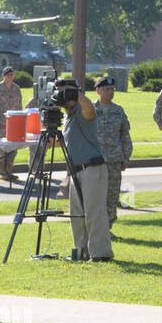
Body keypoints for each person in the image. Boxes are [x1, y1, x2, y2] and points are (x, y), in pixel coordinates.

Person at [54, 81, 112, 262]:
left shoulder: (83, 110)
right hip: (75, 171)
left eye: (64, 93)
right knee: (77, 215)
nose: (61, 97)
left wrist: (76, 94)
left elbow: (90, 111)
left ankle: (100, 253)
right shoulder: (69, 117)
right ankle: (81, 252)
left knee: (94, 213)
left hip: (92, 169)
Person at [93, 76, 133, 238]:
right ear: (98, 91)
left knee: (112, 197)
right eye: (106, 90)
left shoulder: (118, 110)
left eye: (112, 89)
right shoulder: (91, 110)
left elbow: (125, 136)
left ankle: (107, 229)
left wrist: (125, 158)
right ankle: (97, 230)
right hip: (95, 161)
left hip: (114, 161)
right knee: (96, 196)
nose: (110, 92)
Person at [0, 66, 24, 182]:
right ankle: (1, 171)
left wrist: (21, 122)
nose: (10, 77)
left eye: (11, 75)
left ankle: (9, 170)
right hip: (1, 124)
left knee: (13, 148)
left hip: (14, 124)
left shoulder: (16, 88)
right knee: (2, 149)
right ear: (3, 76)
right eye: (7, 75)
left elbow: (19, 106)